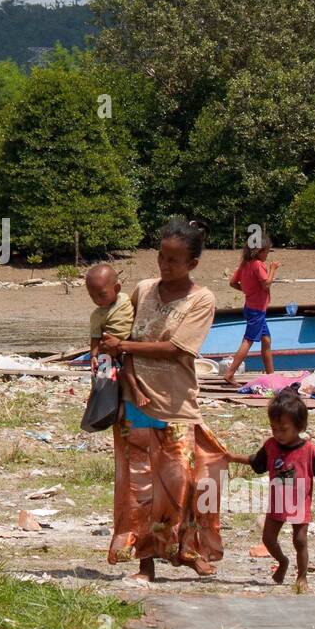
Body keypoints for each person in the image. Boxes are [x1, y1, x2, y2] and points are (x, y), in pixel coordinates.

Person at [98, 219, 231, 582]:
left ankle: (187, 550)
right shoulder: (143, 290)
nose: (164, 265)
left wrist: (123, 346)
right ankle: (146, 564)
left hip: (176, 406)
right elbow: (115, 327)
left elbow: (176, 349)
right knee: (139, 488)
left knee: (182, 484)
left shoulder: (201, 300)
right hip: (135, 406)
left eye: (174, 260)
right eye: (161, 256)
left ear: (193, 264)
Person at [224, 391, 315, 592]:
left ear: (299, 427)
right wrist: (231, 457)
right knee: (268, 539)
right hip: (278, 502)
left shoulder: (310, 450)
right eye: (274, 428)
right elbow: (256, 462)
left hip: (300, 502)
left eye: (283, 429)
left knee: (300, 540)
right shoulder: (271, 446)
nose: (278, 434)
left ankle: (302, 577)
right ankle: (282, 561)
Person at [222, 235, 280, 382]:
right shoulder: (258, 264)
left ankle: (271, 375)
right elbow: (266, 283)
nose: (267, 255)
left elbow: (233, 283)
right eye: (266, 252)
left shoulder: (245, 264)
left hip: (250, 307)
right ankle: (229, 373)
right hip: (257, 311)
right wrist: (273, 269)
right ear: (258, 251)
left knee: (266, 340)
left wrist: (248, 290)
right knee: (248, 341)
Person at [85, 263, 143, 407]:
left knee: (129, 365)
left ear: (116, 288)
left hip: (127, 344)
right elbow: (95, 336)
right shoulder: (97, 315)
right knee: (102, 376)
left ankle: (135, 391)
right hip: (107, 348)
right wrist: (93, 356)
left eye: (101, 295)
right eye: (92, 296)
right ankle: (98, 400)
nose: (97, 300)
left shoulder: (125, 299)